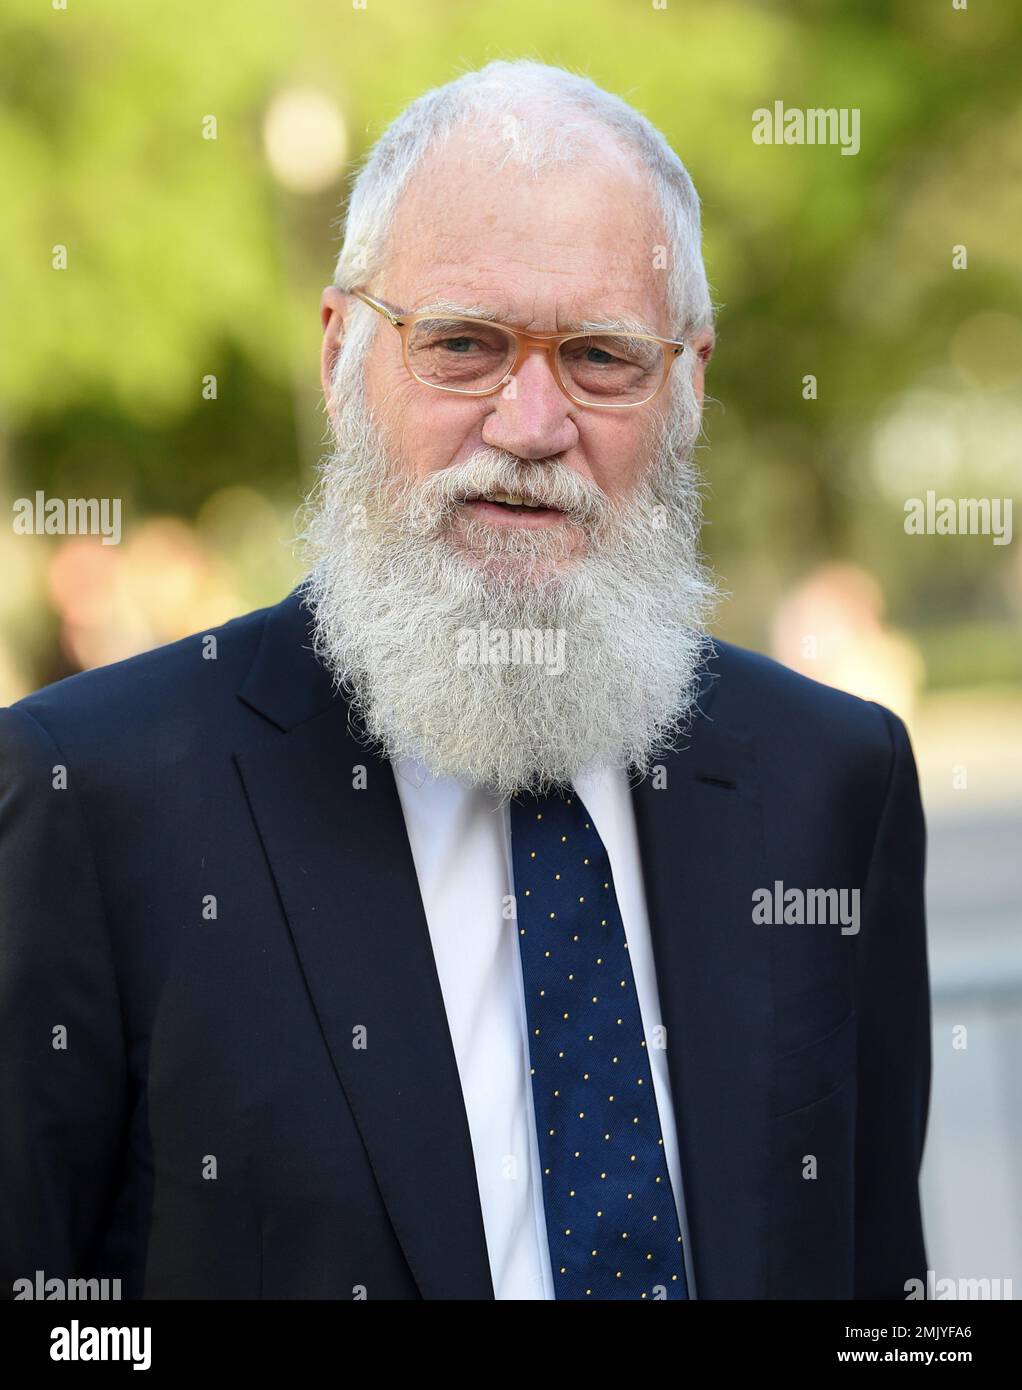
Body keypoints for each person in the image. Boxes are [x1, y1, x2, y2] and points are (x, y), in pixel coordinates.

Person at [0, 59, 930, 1301]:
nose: (530, 423)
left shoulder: (831, 782)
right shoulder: (88, 793)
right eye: (462, 345)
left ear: (688, 382)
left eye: (600, 356)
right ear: (342, 354)